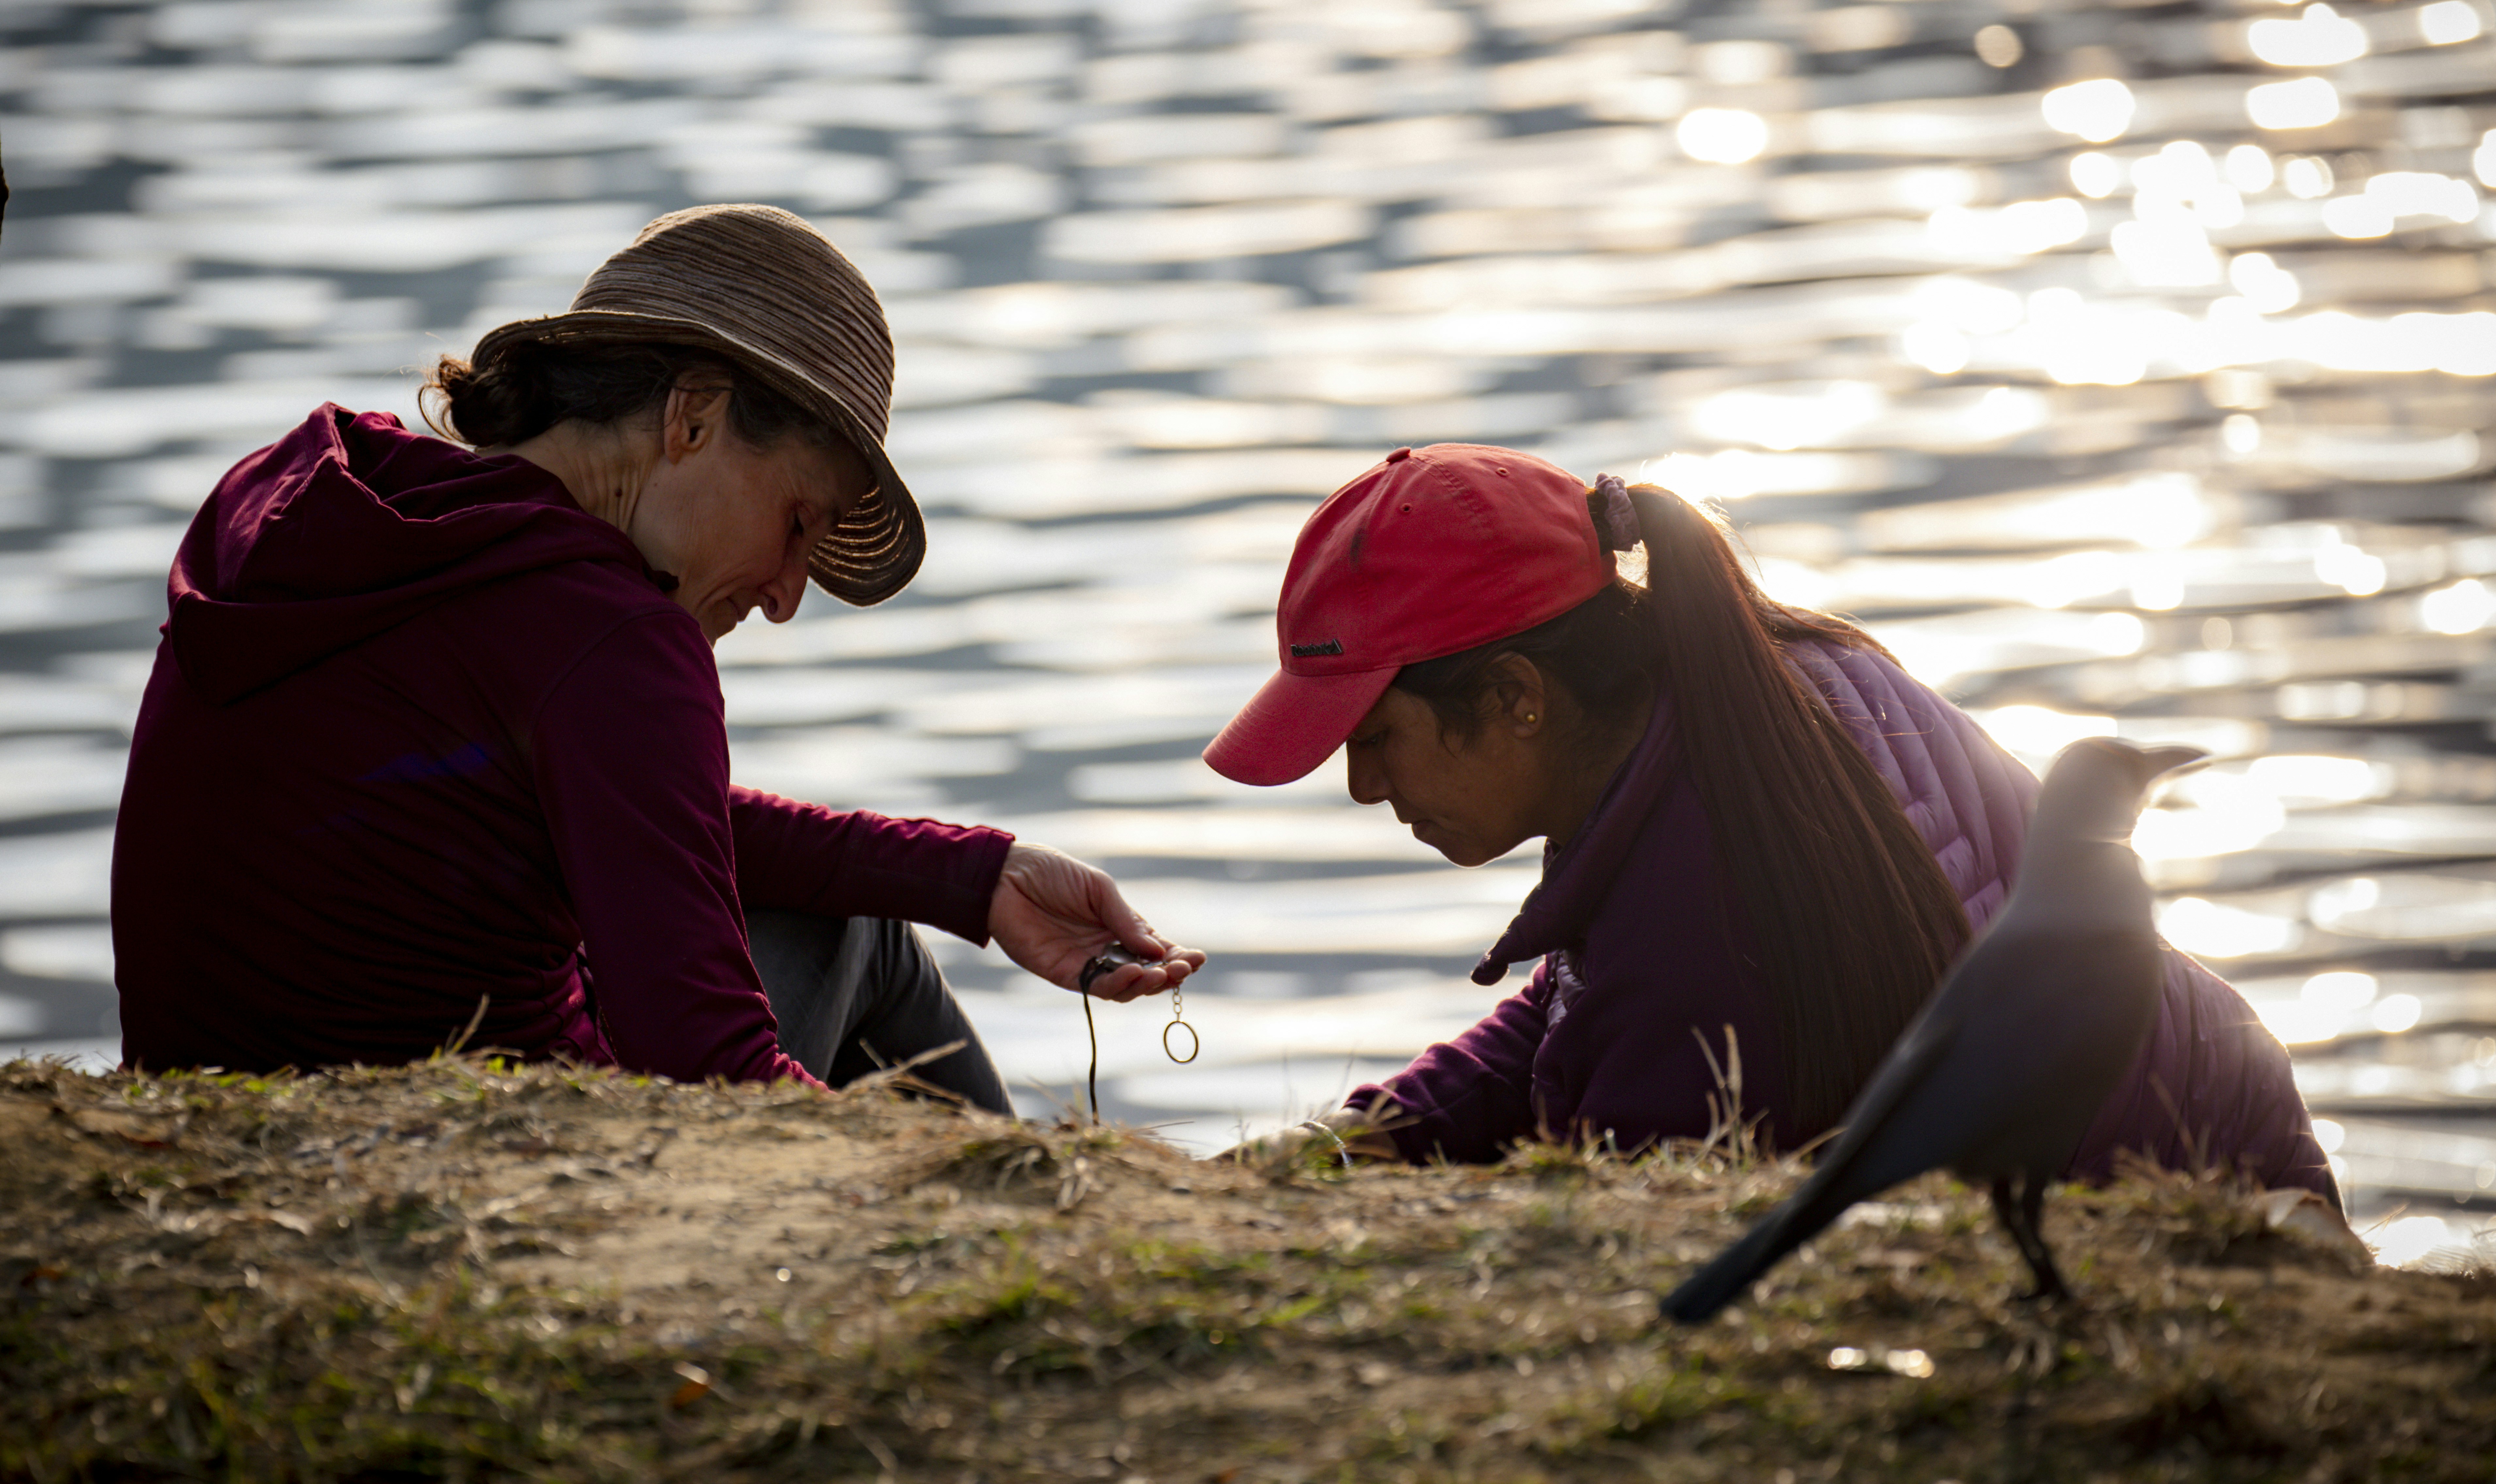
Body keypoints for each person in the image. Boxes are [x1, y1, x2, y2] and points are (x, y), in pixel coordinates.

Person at [112, 204, 1202, 1106]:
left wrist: (974, 878)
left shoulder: (297, 500)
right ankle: (1012, 1265)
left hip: (221, 1114)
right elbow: (713, 1075)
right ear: (692, 416)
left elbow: (613, 808)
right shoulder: (612, 636)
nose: (785, 597)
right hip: (490, 1173)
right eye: (799, 523)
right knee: (863, 938)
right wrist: (968, 1176)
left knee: (870, 901)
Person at [1207, 443, 2335, 1203]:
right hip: (2221, 1086)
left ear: (1516, 698)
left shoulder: (1704, 933)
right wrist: (1366, 1135)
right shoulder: (1747, 687)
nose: (1360, 786)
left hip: (2169, 1183)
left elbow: (1615, 1243)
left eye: (1374, 736)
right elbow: (1577, 1004)